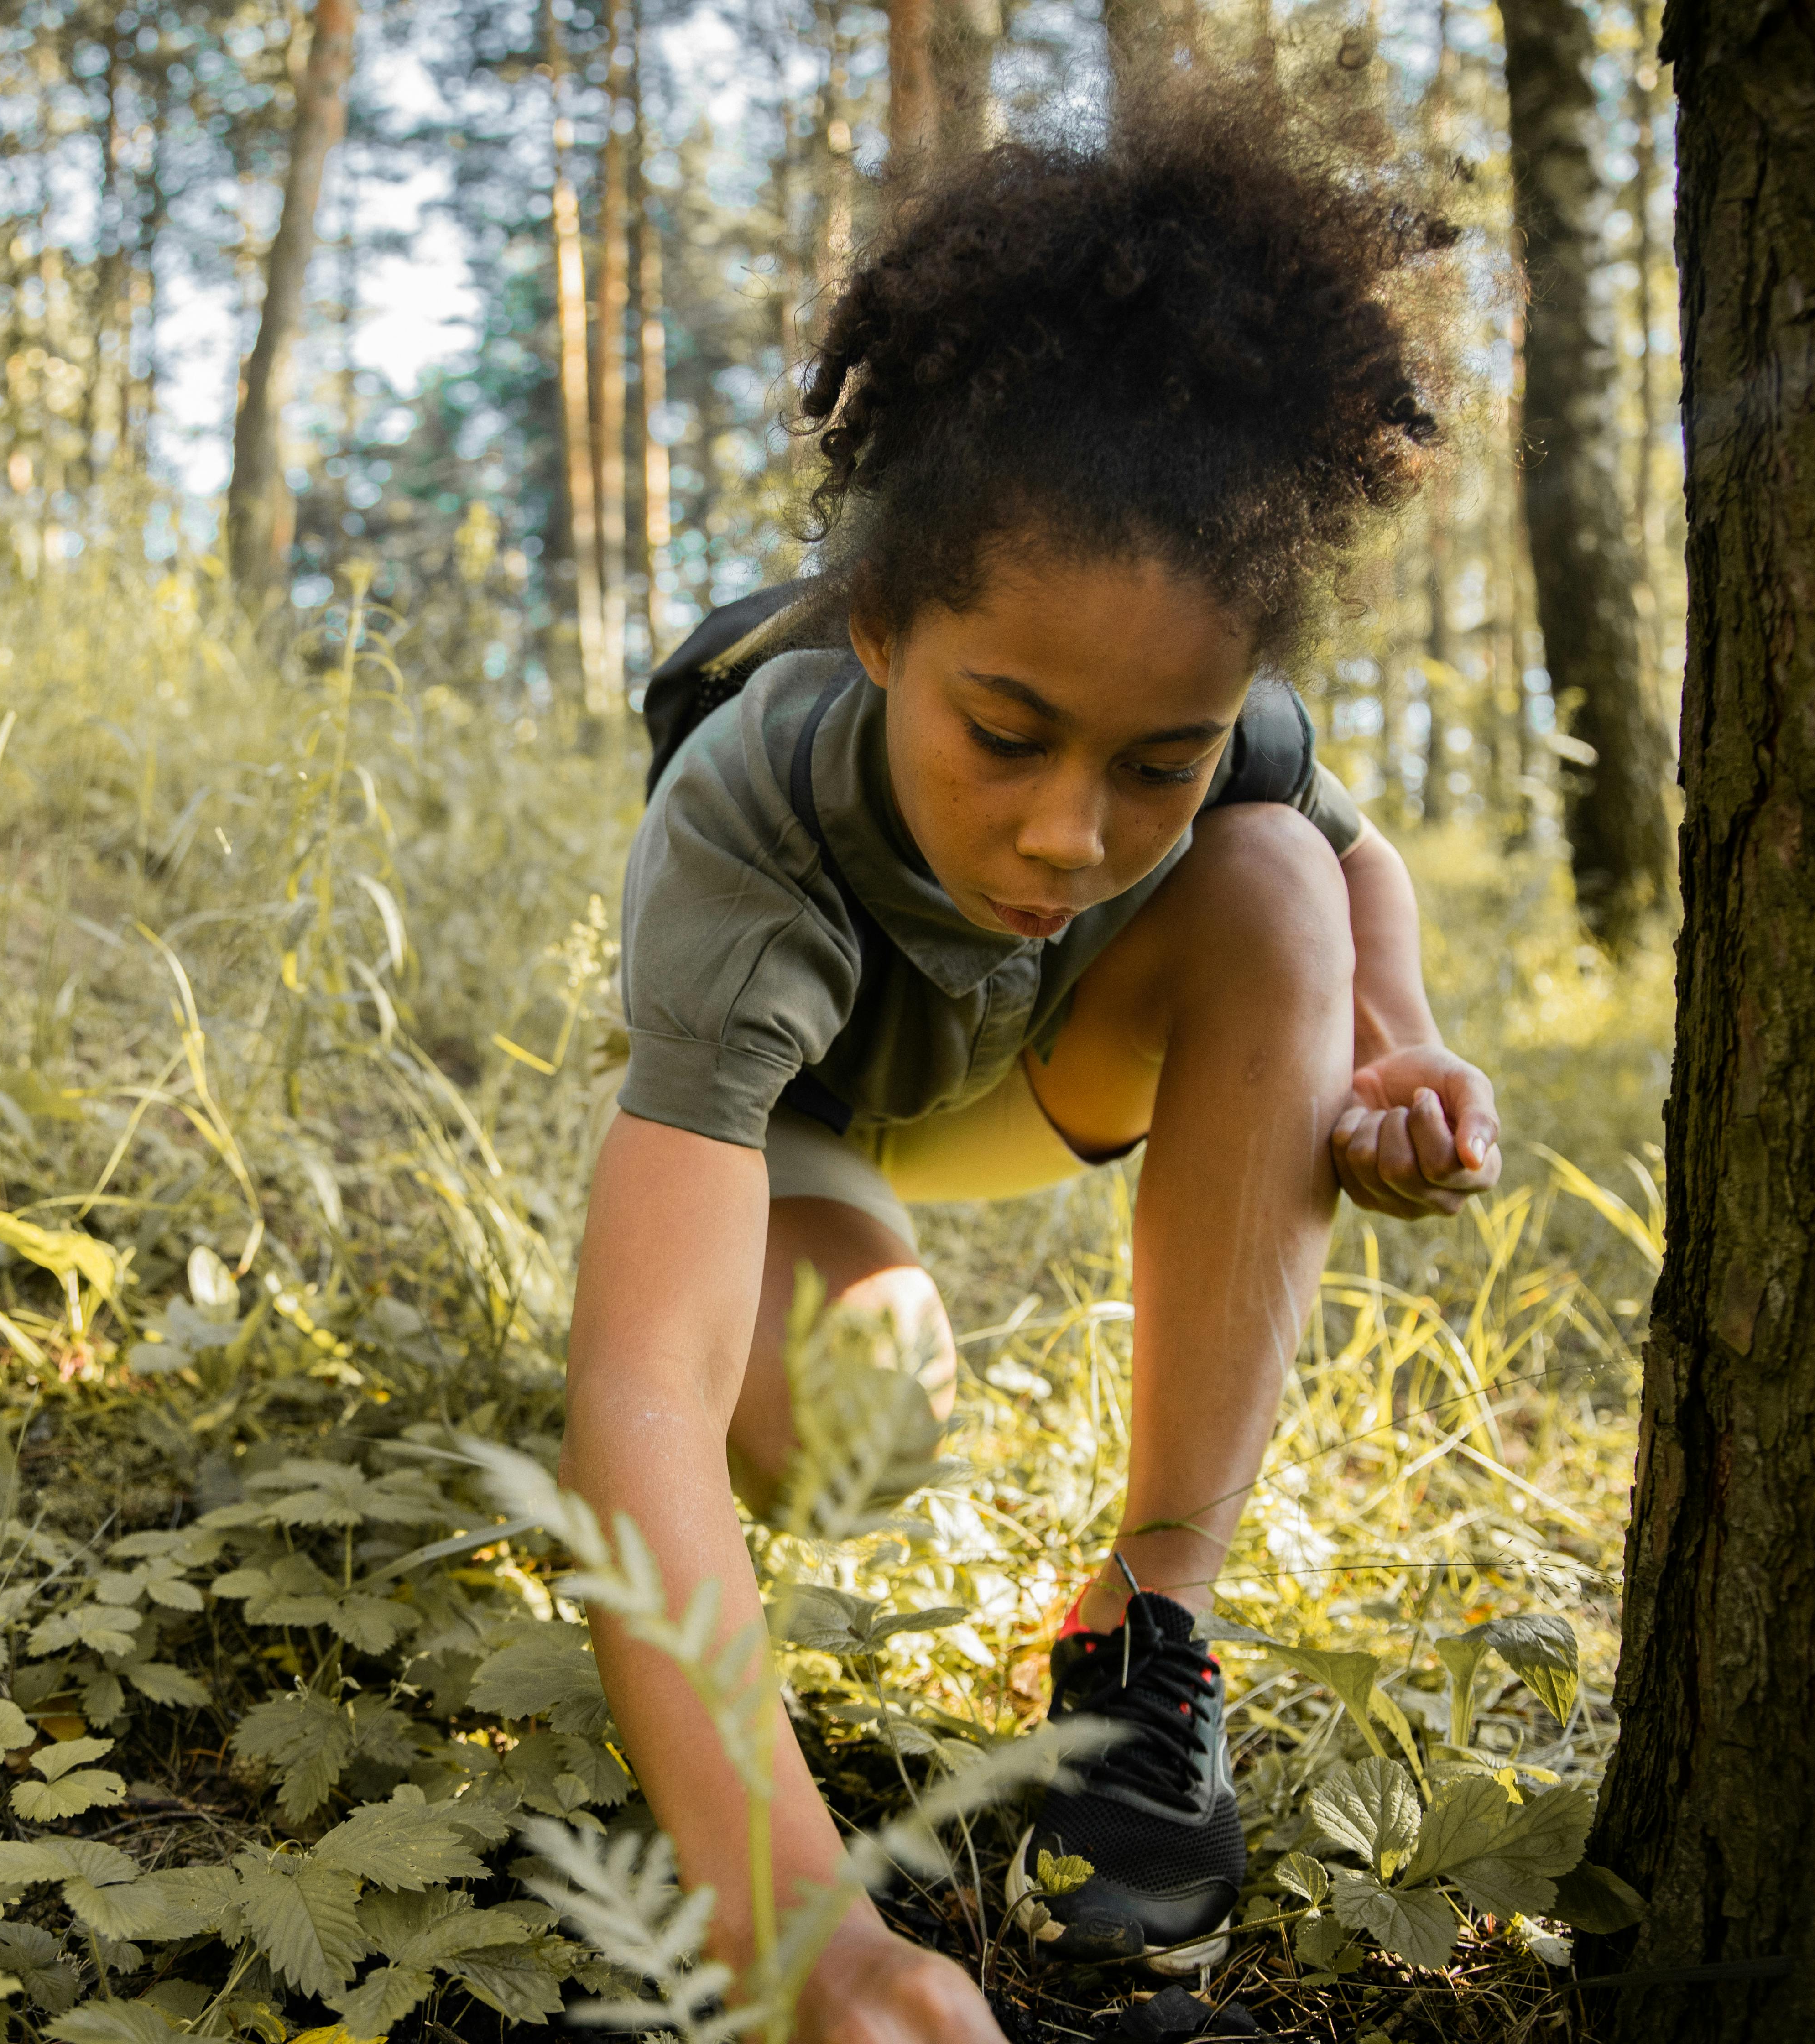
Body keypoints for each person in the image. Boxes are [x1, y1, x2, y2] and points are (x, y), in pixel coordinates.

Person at [559, 80, 1497, 2044]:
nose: (1074, 832)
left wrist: (1398, 1050)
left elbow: (1352, 850)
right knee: (847, 1426)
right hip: (815, 1111)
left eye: (1151, 757)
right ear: (887, 626)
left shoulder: (1197, 713)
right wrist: (799, 1938)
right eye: (1008, 732)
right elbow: (633, 1412)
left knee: (1273, 887)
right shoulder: (747, 828)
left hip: (1040, 1071)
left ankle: (1150, 1624)